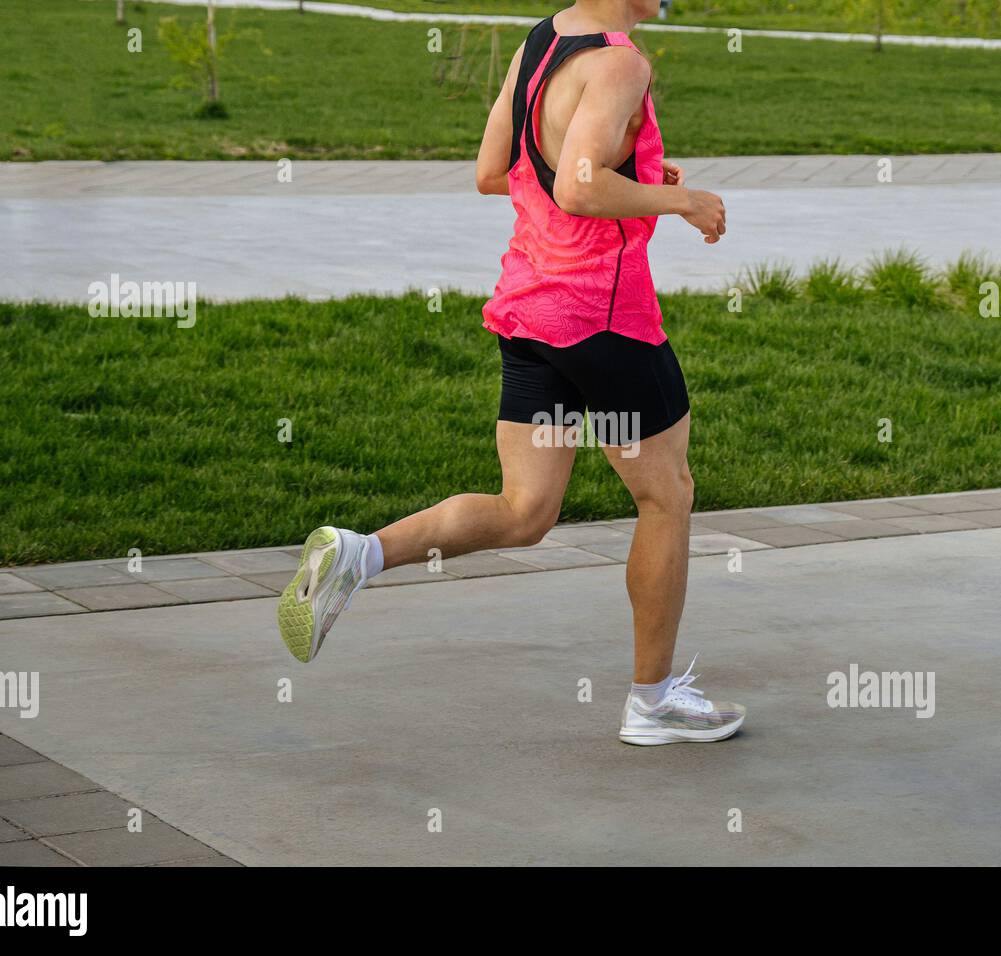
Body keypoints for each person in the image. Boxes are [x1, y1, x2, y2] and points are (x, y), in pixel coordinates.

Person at [277, 0, 743, 745]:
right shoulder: (622, 62)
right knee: (667, 494)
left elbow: (497, 172)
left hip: (531, 312)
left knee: (526, 510)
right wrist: (681, 199)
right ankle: (652, 704)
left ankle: (358, 555)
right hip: (605, 322)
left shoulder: (543, 40)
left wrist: (643, 175)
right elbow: (579, 189)